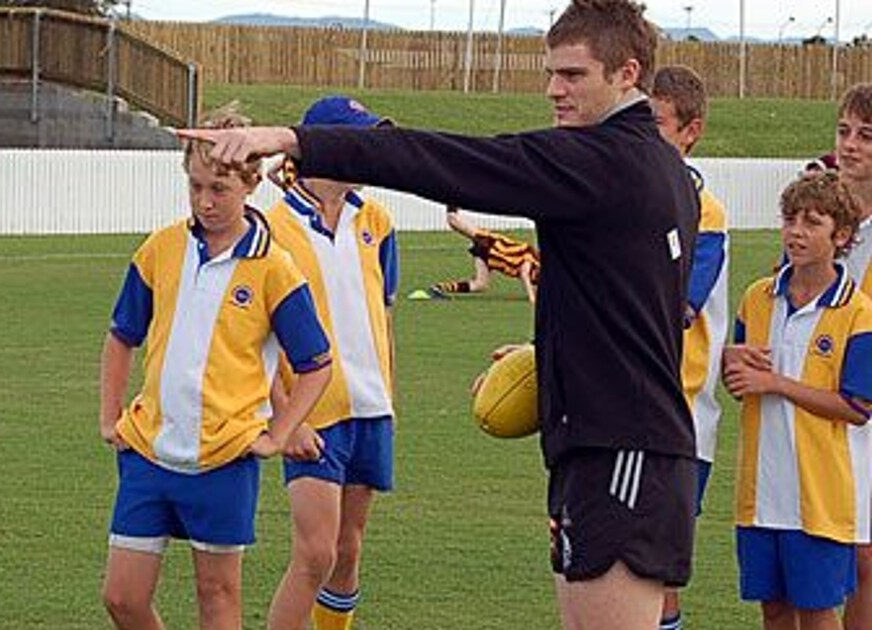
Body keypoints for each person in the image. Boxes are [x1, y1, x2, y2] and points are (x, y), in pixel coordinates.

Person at [180, 1, 701, 627]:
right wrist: (554, 353)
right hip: (615, 441)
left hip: (621, 448)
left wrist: (294, 140)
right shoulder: (661, 166)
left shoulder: (600, 161)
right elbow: (639, 307)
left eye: (572, 75)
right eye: (550, 73)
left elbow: (447, 160)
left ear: (627, 74)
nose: (553, 90)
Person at [98, 107, 333, 630]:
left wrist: (277, 435)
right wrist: (109, 415)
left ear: (251, 183)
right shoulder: (161, 248)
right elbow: (121, 336)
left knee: (218, 597)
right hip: (148, 450)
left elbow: (316, 366)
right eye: (196, 186)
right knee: (122, 597)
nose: (205, 201)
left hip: (224, 459)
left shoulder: (274, 267)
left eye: (220, 189)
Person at [261, 96, 399, 630]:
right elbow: (256, 338)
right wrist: (283, 418)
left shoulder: (378, 221)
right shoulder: (271, 228)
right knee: (315, 555)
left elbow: (384, 314)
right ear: (323, 146)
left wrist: (391, 396)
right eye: (358, 139)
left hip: (370, 408)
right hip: (312, 413)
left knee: (347, 550)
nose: (370, 152)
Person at [723, 170, 872, 630]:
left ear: (841, 235)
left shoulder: (858, 312)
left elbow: (858, 407)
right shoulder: (757, 298)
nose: (795, 232)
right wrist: (735, 370)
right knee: (773, 608)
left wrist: (778, 385)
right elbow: (739, 380)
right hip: (761, 490)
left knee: (816, 609)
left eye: (811, 222)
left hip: (820, 494)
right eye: (790, 220)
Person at [649, 64, 729, 630]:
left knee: (660, 571)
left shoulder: (706, 212)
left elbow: (672, 311)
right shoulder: (628, 196)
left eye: (654, 124)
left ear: (689, 131)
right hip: (626, 407)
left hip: (680, 415)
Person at [827, 83, 872, 630]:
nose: (852, 145)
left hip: (862, 407)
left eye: (866, 135)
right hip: (820, 407)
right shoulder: (821, 219)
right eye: (845, 132)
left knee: (863, 557)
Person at [409, 206, 540, 303]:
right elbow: (524, 271)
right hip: (492, 245)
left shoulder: (541, 277)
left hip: (492, 259)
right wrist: (531, 298)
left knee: (480, 285)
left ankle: (438, 288)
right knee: (454, 222)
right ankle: (451, 193)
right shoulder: (537, 261)